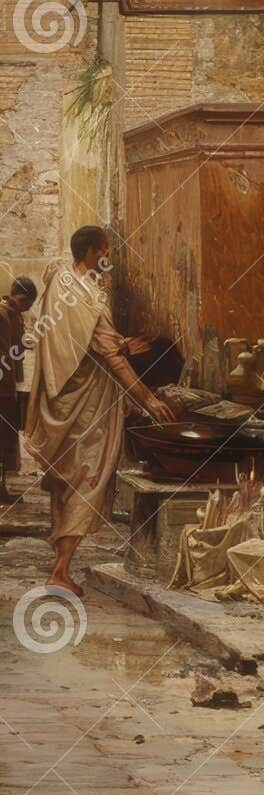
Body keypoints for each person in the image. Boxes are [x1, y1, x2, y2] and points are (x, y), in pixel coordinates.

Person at [25, 226, 175, 596]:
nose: (107, 259)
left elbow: (78, 342)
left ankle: (59, 564)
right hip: (87, 410)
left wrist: (117, 343)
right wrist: (148, 400)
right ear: (92, 252)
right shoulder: (90, 299)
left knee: (64, 481)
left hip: (58, 401)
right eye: (104, 251)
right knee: (86, 484)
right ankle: (60, 570)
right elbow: (111, 360)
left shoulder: (59, 279)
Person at [0, 276, 37, 503]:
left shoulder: (14, 316)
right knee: (2, 436)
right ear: (18, 296)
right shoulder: (3, 314)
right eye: (25, 302)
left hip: (7, 384)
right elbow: (4, 352)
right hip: (2, 386)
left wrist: (25, 343)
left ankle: (2, 486)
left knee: (5, 437)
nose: (25, 307)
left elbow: (14, 346)